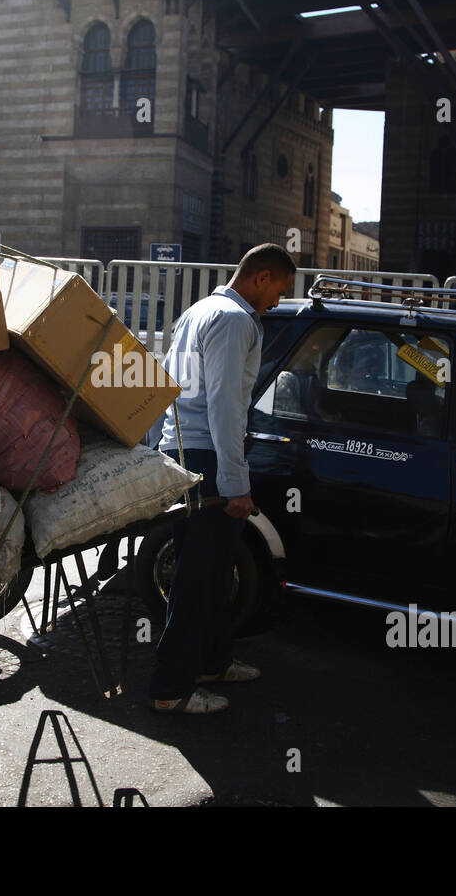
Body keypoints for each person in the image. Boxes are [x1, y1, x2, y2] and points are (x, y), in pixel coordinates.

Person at [148, 243, 296, 715]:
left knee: (211, 576)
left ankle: (211, 662)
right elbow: (226, 406)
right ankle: (170, 689)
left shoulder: (198, 311)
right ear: (261, 277)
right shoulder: (234, 321)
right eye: (279, 290)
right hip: (208, 461)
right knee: (198, 580)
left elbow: (165, 387)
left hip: (184, 454)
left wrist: (157, 452)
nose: (276, 302)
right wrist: (235, 484)